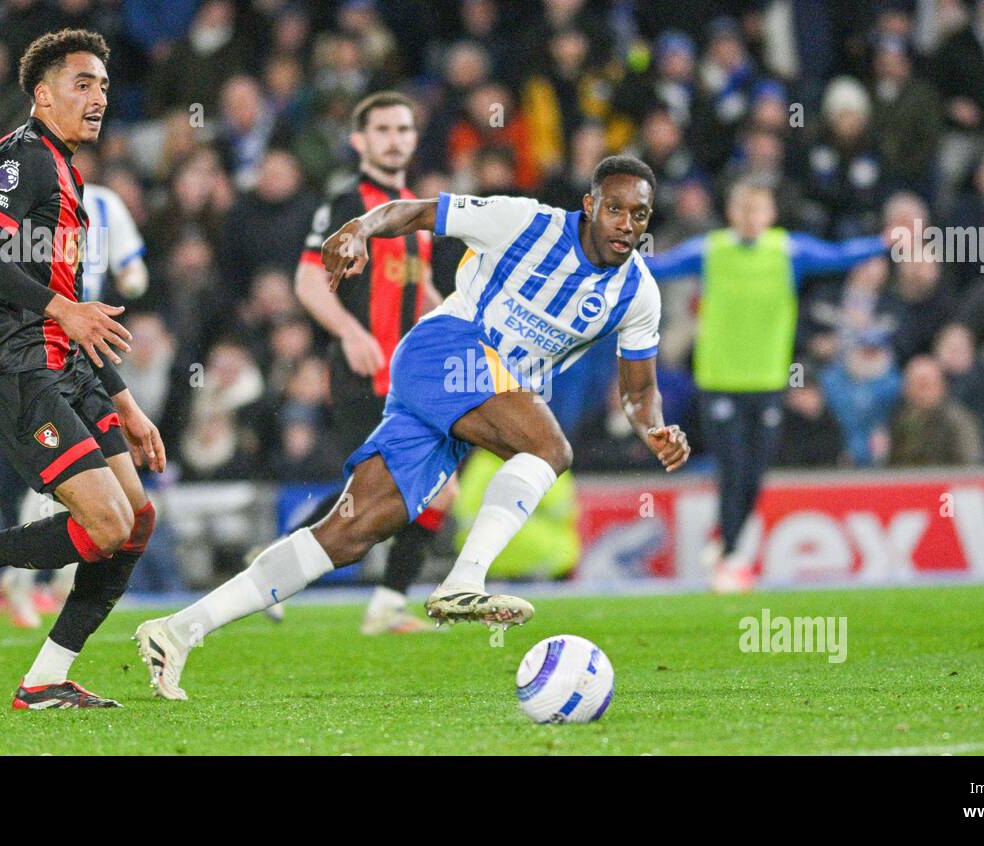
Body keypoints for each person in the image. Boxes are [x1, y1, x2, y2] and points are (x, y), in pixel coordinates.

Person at [135, 155, 691, 701]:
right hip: (446, 350)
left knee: (348, 535)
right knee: (549, 448)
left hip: (467, 395)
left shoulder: (637, 293)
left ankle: (178, 630)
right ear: (590, 205)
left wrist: (655, 429)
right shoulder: (524, 221)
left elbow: (638, 391)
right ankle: (464, 580)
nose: (625, 224)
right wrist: (358, 230)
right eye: (614, 209)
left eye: (638, 215)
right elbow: (413, 211)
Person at [0, 29, 167, 709]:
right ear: (43, 93)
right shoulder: (21, 156)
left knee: (135, 524)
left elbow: (78, 314)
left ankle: (45, 678)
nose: (98, 99)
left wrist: (127, 405)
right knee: (109, 525)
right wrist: (63, 306)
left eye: (105, 87)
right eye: (82, 85)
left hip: (62, 361)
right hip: (10, 363)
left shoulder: (67, 172)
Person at [646, 177, 887, 593]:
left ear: (770, 214)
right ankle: (733, 557)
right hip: (720, 381)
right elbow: (658, 265)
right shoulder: (712, 250)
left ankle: (726, 547)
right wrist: (611, 255)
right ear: (731, 213)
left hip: (767, 380)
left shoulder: (788, 251)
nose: (751, 218)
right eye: (743, 209)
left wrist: (885, 242)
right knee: (733, 466)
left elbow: (840, 256)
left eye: (758, 210)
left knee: (755, 471)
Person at [287, 90, 448, 635]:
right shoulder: (343, 203)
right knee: (396, 489)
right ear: (359, 141)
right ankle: (298, 571)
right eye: (382, 129)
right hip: (362, 369)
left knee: (423, 488)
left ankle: (381, 603)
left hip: (407, 376)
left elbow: (420, 289)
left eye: (404, 129)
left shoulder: (412, 210)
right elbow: (309, 280)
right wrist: (352, 333)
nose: (395, 139)